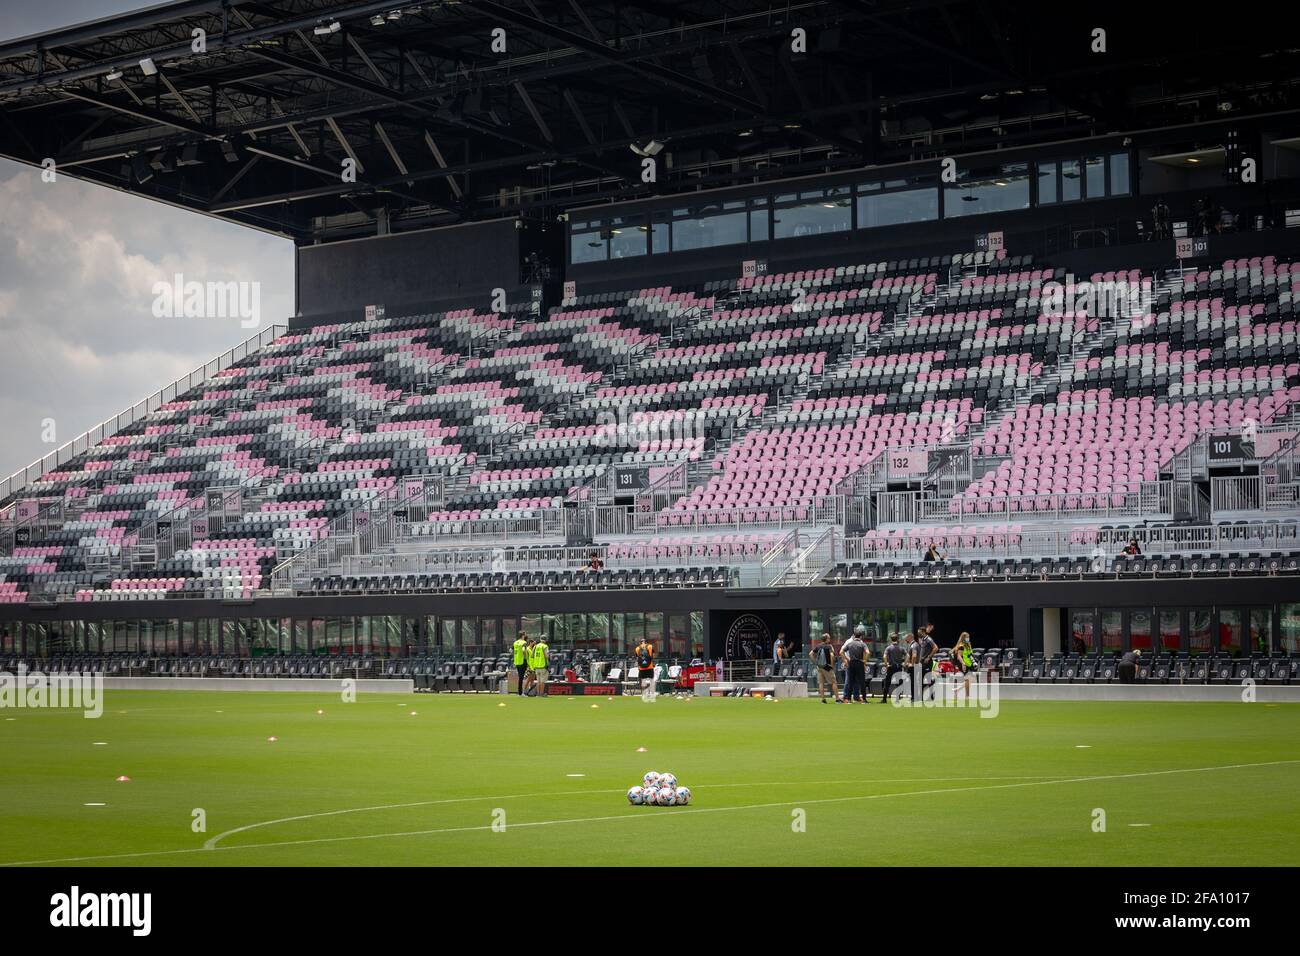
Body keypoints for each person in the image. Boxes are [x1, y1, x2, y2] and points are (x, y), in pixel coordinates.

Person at [840, 628, 869, 703]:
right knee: (862, 681)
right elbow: (867, 652)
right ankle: (864, 699)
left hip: (851, 663)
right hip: (859, 663)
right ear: (860, 636)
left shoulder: (850, 643)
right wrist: (865, 661)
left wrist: (846, 659)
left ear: (854, 635)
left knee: (850, 681)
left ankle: (848, 699)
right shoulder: (862, 644)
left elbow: (841, 652)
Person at [808, 633, 839, 703]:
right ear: (826, 639)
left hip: (819, 667)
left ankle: (823, 700)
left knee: (821, 683)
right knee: (834, 682)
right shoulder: (829, 646)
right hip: (827, 667)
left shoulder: (818, 646)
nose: (830, 639)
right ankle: (837, 699)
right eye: (829, 638)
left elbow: (810, 654)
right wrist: (832, 665)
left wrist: (815, 662)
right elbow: (832, 655)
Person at [881, 632, 906, 703]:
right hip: (898, 667)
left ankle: (884, 699)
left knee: (887, 683)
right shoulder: (901, 648)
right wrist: (905, 663)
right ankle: (897, 699)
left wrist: (886, 664)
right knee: (898, 683)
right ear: (897, 639)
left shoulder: (888, 648)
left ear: (891, 640)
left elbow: (884, 656)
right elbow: (907, 656)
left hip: (891, 667)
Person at [951, 632, 975, 700]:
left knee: (971, 679)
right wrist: (963, 663)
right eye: (967, 637)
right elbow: (959, 656)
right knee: (968, 679)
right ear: (963, 638)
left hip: (968, 663)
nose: (968, 638)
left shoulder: (967, 644)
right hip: (963, 663)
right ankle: (967, 696)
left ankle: (957, 690)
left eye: (968, 637)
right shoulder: (961, 646)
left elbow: (970, 653)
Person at [511, 630, 529, 696]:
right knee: (522, 677)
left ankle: (520, 692)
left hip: (517, 661)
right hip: (523, 661)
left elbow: (510, 650)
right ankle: (521, 693)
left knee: (520, 677)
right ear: (523, 635)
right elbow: (524, 650)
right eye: (525, 634)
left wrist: (515, 655)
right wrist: (526, 656)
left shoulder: (515, 642)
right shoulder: (524, 642)